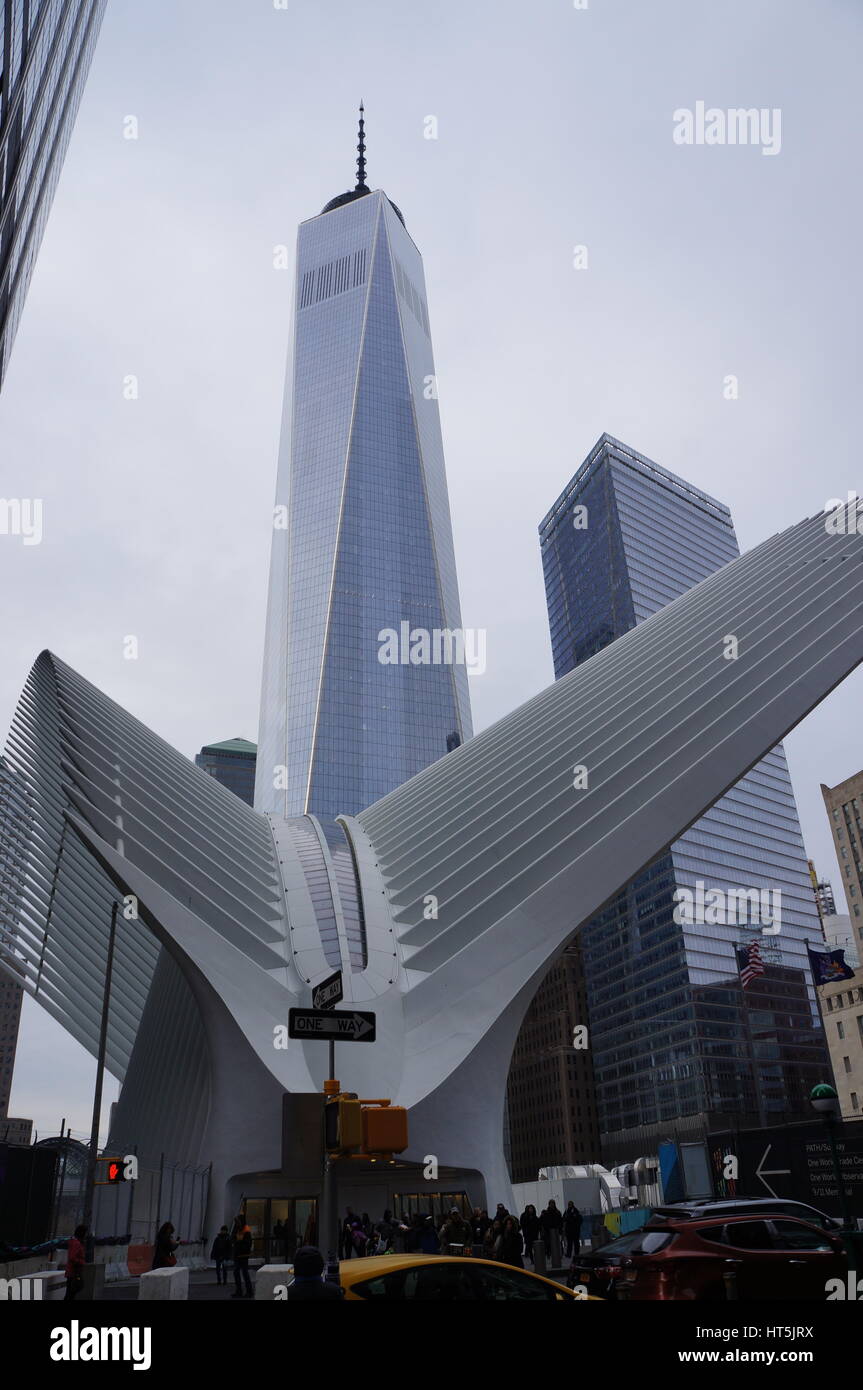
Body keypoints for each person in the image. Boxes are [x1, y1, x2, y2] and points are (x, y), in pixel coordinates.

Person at [64, 1224, 87, 1300]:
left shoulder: (74, 1242)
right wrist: (81, 1262)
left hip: (73, 1272)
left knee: (70, 1293)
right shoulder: (76, 1243)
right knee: (71, 1293)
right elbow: (72, 1257)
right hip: (74, 1272)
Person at [231, 1220, 253, 1298]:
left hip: (243, 1255)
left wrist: (237, 1243)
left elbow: (247, 1244)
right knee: (237, 1273)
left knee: (244, 1273)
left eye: (237, 1222)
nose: (236, 1224)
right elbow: (232, 1239)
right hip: (238, 1255)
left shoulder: (246, 1231)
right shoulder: (237, 1229)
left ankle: (248, 1291)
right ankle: (240, 1291)